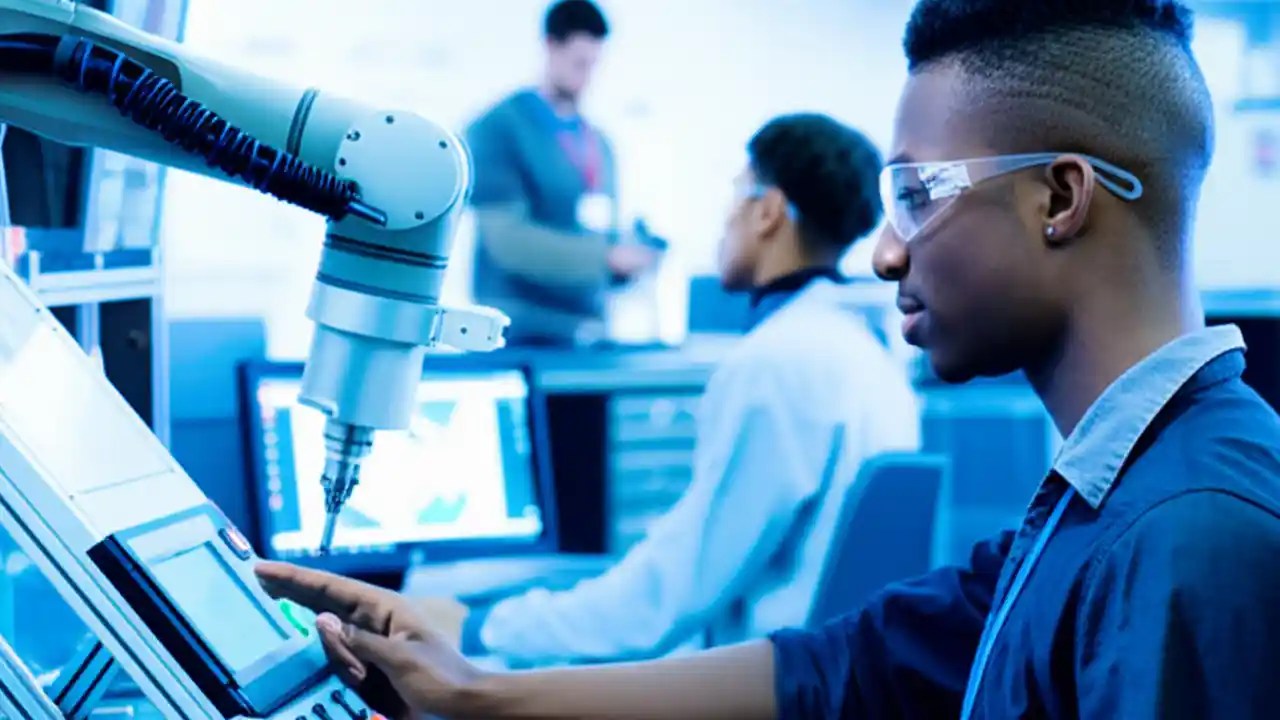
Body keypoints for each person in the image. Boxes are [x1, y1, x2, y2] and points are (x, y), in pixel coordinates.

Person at [256, 0, 1280, 717]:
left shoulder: (1188, 537)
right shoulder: (1092, 503)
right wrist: (476, 690)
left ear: (1058, 198)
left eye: (917, 196)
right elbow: (846, 668)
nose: (884, 254)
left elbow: (688, 606)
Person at [411, 113, 919, 667]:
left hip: (766, 686)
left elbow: (657, 606)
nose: (725, 220)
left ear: (768, 211)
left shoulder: (779, 363)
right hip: (825, 678)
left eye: (734, 195)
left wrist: (481, 625)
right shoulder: (867, 357)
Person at [465, 0, 656, 347]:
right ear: (550, 46)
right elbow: (508, 242)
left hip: (588, 332)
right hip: (520, 333)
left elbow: (598, 231)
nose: (587, 76)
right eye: (579, 63)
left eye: (594, 64)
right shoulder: (498, 129)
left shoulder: (599, 143)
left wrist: (631, 258)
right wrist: (605, 258)